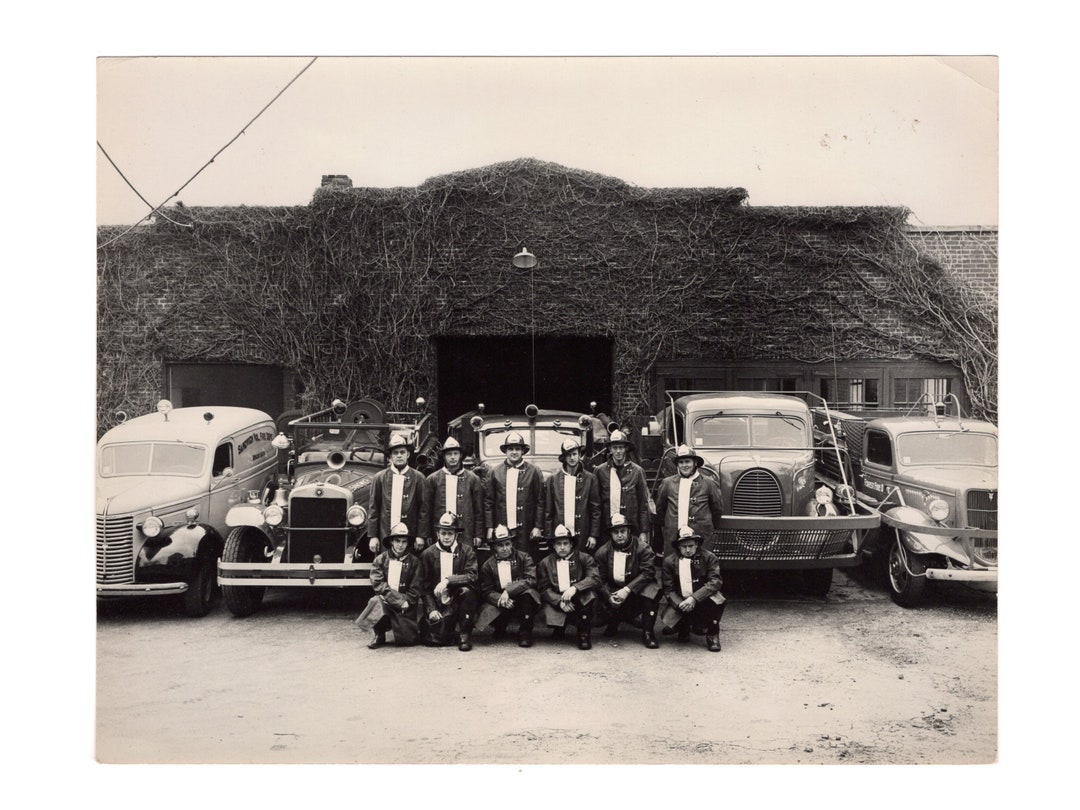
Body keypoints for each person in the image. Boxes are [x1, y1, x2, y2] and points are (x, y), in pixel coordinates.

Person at [593, 513, 661, 649]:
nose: (620, 535)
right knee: (596, 592)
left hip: (637, 590)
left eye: (623, 531)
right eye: (616, 532)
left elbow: (648, 572)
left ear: (629, 531)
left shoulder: (643, 548)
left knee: (652, 591)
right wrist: (608, 596)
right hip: (614, 590)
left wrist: (627, 590)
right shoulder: (602, 552)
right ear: (611, 534)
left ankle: (648, 632)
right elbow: (599, 579)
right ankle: (613, 621)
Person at [417, 512, 480, 651]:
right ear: (437, 534)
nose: (446, 537)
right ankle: (448, 631)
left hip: (458, 601)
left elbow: (472, 576)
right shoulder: (428, 554)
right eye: (443, 533)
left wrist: (447, 581)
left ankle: (464, 635)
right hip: (438, 603)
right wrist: (432, 609)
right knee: (434, 638)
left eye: (450, 533)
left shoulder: (467, 551)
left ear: (456, 535)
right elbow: (424, 587)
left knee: (467, 592)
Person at [355, 522, 421, 648]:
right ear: (391, 541)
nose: (400, 545)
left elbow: (415, 588)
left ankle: (403, 627)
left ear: (408, 543)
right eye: (397, 541)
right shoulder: (380, 559)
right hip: (386, 600)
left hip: (405, 604)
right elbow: (378, 584)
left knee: (407, 641)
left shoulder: (415, 562)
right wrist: (397, 600)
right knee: (375, 601)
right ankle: (379, 634)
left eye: (404, 541)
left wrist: (405, 601)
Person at [660, 525, 726, 652]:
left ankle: (712, 634)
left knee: (718, 600)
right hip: (682, 602)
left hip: (702, 599)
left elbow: (715, 581)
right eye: (684, 546)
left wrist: (694, 598)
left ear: (696, 544)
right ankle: (682, 627)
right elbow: (668, 589)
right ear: (678, 546)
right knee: (674, 624)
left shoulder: (709, 557)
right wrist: (680, 603)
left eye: (690, 546)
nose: (688, 550)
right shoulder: (669, 561)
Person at [474, 524, 541, 647]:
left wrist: (509, 591)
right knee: (487, 609)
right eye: (500, 545)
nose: (505, 548)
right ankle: (500, 626)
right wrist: (499, 598)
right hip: (501, 600)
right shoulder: (488, 565)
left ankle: (525, 633)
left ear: (512, 544)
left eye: (507, 544)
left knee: (529, 595)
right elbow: (486, 591)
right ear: (494, 546)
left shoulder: (524, 557)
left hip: (521, 597)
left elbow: (531, 579)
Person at [537, 524, 602, 650]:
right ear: (553, 545)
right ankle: (559, 627)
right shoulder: (545, 563)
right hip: (557, 598)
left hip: (579, 596)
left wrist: (575, 588)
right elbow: (543, 588)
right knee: (548, 604)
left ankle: (583, 634)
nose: (562, 547)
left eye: (565, 543)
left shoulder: (584, 558)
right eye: (558, 544)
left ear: (571, 544)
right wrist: (559, 601)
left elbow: (595, 578)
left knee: (589, 596)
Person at [484, 430, 545, 561]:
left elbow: (540, 501)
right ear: (505, 451)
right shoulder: (495, 472)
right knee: (503, 558)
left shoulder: (534, 471)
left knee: (526, 559)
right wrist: (489, 527)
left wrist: (538, 526)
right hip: (502, 525)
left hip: (527, 526)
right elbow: (489, 502)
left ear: (522, 451)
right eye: (510, 449)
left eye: (517, 449)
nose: (514, 452)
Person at [653, 444, 724, 553]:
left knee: (700, 562)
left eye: (687, 462)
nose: (684, 465)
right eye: (681, 462)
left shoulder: (709, 484)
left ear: (695, 463)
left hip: (701, 537)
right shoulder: (667, 483)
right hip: (673, 537)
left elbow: (717, 510)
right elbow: (660, 510)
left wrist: (703, 526)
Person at [420, 436, 485, 549]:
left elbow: (479, 509)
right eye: (449, 454)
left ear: (460, 455)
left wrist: (478, 534)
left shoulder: (473, 479)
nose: (453, 457)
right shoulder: (433, 479)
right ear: (444, 456)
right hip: (441, 533)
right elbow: (426, 509)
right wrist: (426, 534)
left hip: (466, 531)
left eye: (456, 453)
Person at [367, 432, 427, 553]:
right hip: (385, 533)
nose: (399, 455)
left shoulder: (418, 478)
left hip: (410, 534)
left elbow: (424, 509)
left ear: (408, 454)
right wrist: (373, 536)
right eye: (395, 453)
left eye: (402, 452)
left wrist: (421, 535)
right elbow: (373, 508)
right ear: (390, 456)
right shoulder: (379, 478)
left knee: (409, 562)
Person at [593, 429, 652, 548]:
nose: (618, 451)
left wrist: (644, 531)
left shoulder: (637, 471)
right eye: (615, 448)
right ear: (610, 449)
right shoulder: (600, 471)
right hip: (607, 528)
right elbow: (595, 504)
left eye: (621, 447)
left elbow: (643, 503)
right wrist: (594, 533)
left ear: (626, 448)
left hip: (631, 527)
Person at [544, 437, 602, 553]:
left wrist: (593, 535)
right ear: (564, 458)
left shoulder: (590, 478)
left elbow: (595, 509)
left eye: (574, 454)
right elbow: (549, 512)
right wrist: (550, 537)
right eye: (568, 455)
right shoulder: (553, 480)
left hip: (583, 533)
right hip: (560, 535)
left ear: (579, 455)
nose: (572, 458)